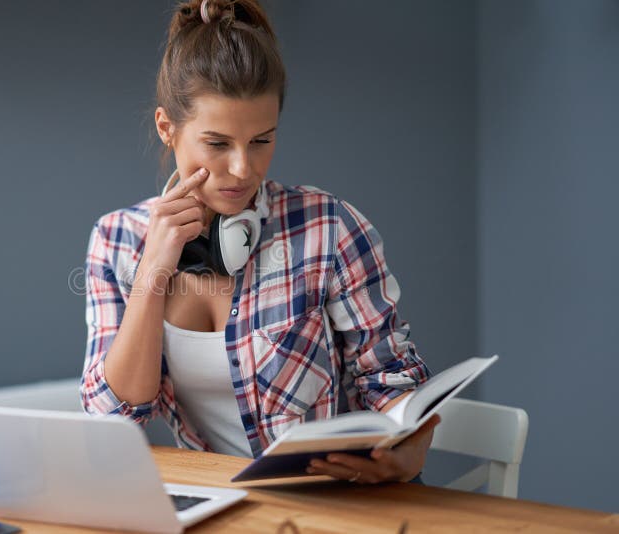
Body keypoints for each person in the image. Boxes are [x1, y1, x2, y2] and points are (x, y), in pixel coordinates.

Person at [80, 0, 439, 485]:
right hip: (216, 503)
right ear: (168, 128)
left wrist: (410, 451)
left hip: (333, 500)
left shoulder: (327, 227)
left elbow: (391, 378)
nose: (243, 169)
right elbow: (114, 417)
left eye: (261, 141)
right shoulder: (116, 239)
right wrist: (153, 269)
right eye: (218, 143)